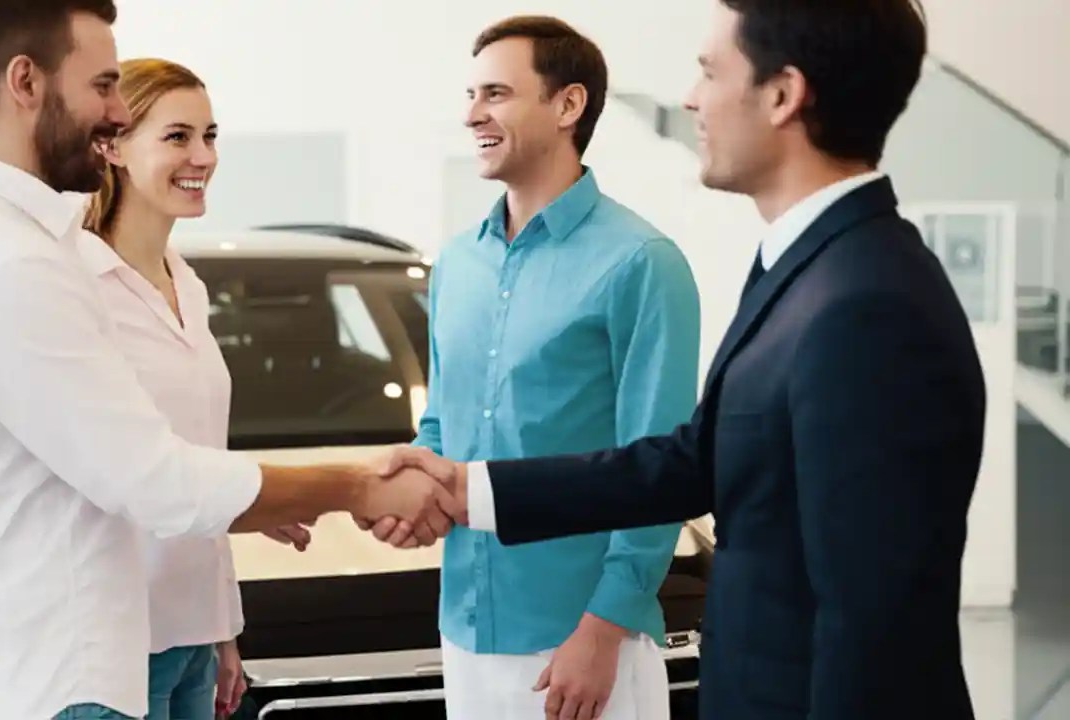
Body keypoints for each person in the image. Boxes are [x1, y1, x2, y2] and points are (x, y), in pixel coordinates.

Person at [380, 1, 985, 718]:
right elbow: (693, 464)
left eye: (709, 71)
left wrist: (604, 615)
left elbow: (873, 624)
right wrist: (464, 489)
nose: (692, 97)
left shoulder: (867, 303)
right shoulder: (808, 271)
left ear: (784, 95)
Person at [0, 2, 456, 719]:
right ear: (26, 82)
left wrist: (229, 580)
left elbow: (143, 464)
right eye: (103, 85)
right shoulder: (15, 267)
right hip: (54, 685)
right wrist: (356, 486)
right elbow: (155, 478)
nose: (112, 112)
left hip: (55, 668)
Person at [366, 16, 699, 720]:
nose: (471, 114)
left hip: (580, 639)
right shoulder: (457, 263)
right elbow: (441, 424)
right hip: (465, 625)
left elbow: (662, 470)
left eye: (495, 94)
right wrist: (415, 492)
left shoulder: (642, 263)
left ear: (567, 106)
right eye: (471, 94)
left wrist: (603, 628)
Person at [76, 58, 310, 720]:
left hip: (191, 638)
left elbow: (199, 454)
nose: (202, 156)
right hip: (116, 647)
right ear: (113, 145)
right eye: (177, 137)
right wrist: (254, 498)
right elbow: (127, 473)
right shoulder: (76, 286)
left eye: (210, 136)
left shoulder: (188, 282)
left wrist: (222, 629)